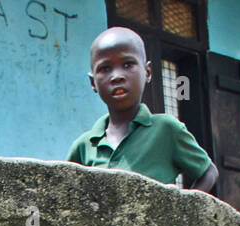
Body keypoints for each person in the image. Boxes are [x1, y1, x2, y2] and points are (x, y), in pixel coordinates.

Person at [66, 27, 218, 193]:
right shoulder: (84, 146)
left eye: (128, 64)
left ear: (147, 72)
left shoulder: (166, 130)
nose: (117, 76)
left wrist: (184, 211)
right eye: (105, 68)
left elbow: (209, 172)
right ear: (93, 82)